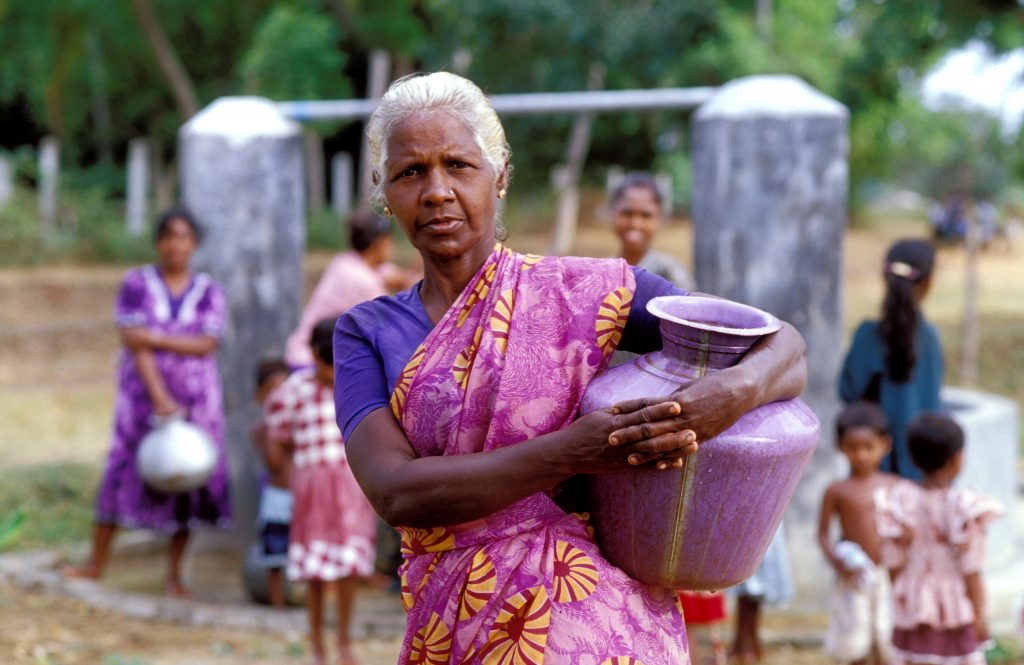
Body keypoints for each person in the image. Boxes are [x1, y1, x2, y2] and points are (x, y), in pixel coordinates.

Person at [333, 71, 808, 664]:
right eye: (410, 172)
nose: (436, 190)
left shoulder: (585, 294)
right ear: (384, 192)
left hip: (598, 626)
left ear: (500, 174)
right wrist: (574, 451)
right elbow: (396, 493)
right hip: (455, 624)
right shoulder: (367, 331)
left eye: (458, 165)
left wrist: (725, 399)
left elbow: (781, 345)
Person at [64, 207, 231, 597]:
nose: (175, 244)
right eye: (169, 236)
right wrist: (160, 396)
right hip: (141, 398)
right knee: (122, 469)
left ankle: (174, 575)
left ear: (194, 244)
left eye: (183, 236)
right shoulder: (136, 283)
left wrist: (155, 338)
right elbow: (132, 342)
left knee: (188, 475)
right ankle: (96, 563)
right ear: (158, 242)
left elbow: (207, 342)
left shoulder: (208, 290)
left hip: (196, 400)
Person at [266, 319, 376, 665]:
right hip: (311, 490)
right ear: (313, 356)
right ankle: (317, 644)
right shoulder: (293, 391)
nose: (331, 372)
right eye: (326, 364)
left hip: (348, 486)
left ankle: (344, 641)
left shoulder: (355, 386)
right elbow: (277, 438)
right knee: (315, 570)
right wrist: (291, 475)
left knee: (347, 565)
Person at [876, 413, 1004, 665]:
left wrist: (904, 596)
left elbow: (893, 562)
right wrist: (979, 613)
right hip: (954, 605)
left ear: (912, 458)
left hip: (913, 603)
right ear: (957, 460)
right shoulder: (964, 508)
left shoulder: (899, 502)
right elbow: (972, 569)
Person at [839, 239, 943, 481]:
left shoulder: (867, 335)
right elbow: (933, 405)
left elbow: (848, 391)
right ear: (928, 283)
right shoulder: (930, 339)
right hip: (918, 471)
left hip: (870, 472)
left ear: (884, 278)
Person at [819, 401, 899, 665]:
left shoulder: (895, 486)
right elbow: (823, 535)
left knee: (886, 634)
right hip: (854, 577)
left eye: (869, 447)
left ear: (885, 445)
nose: (861, 455)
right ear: (840, 446)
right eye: (853, 448)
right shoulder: (837, 490)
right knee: (855, 637)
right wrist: (837, 561)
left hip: (887, 575)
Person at [285, 210, 402, 368]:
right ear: (380, 243)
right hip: (311, 363)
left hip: (307, 353)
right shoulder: (361, 281)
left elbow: (393, 275)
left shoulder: (345, 261)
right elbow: (390, 327)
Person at [249, 359, 292, 608]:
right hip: (277, 497)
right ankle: (278, 605)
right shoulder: (261, 429)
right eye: (273, 390)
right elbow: (274, 462)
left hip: (305, 496)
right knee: (274, 554)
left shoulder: (304, 422)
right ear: (261, 395)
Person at [611, 171, 695, 291]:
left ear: (660, 218)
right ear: (613, 213)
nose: (635, 223)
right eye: (627, 213)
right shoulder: (602, 272)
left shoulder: (671, 273)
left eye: (646, 215)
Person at [729, 523, 795, 664]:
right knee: (747, 586)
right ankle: (744, 640)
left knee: (755, 587)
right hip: (750, 526)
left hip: (764, 526)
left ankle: (749, 639)